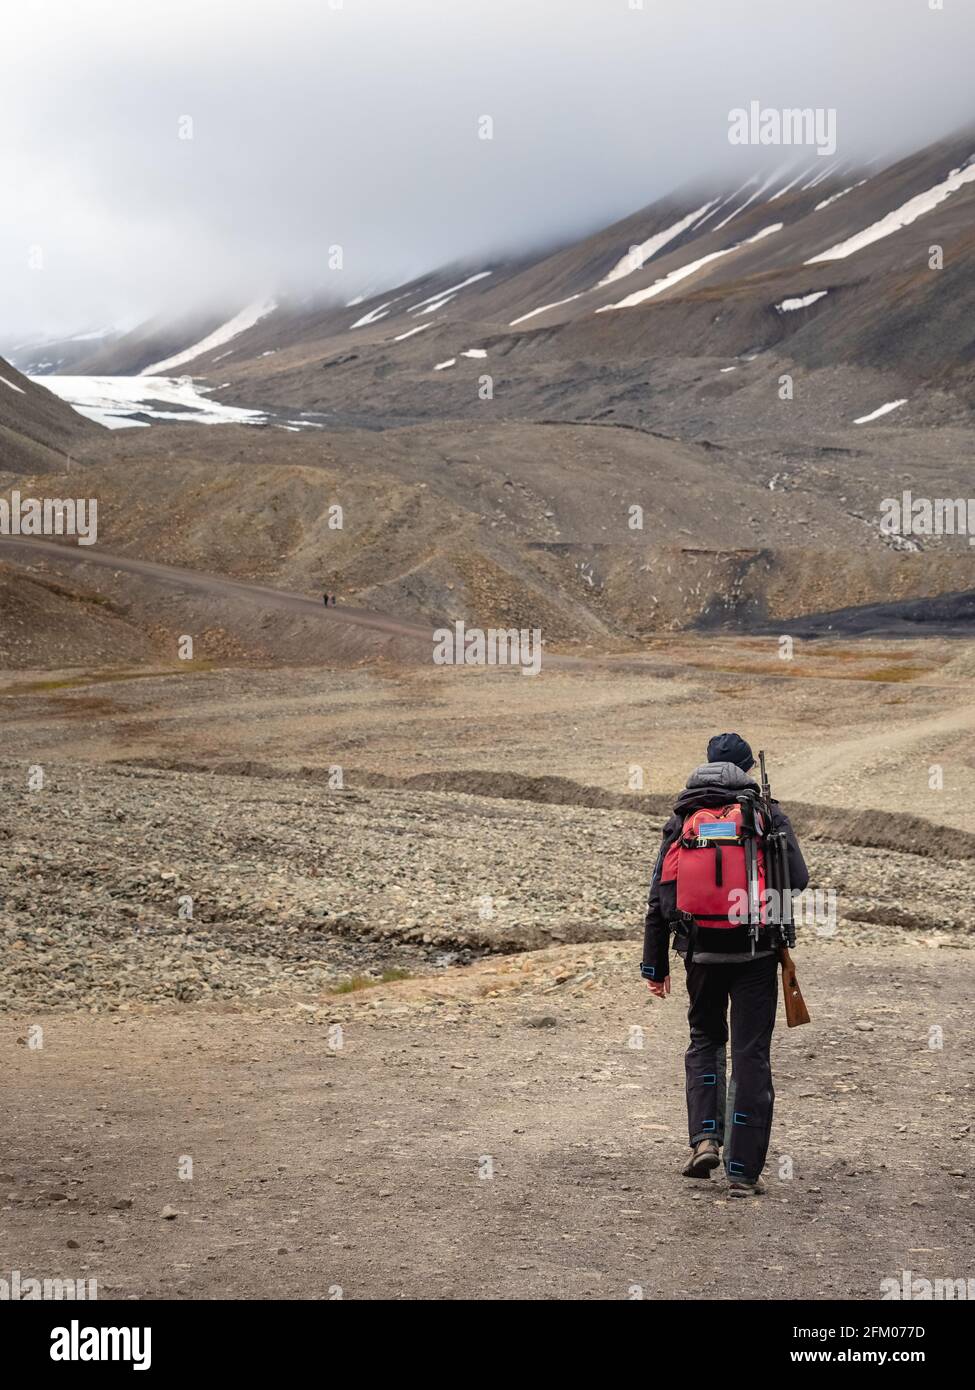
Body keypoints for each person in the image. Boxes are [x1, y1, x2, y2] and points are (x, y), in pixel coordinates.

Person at [641, 733, 809, 1196]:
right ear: (747, 771)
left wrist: (655, 966)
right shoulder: (764, 814)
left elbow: (659, 898)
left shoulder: (683, 819)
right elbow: (797, 880)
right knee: (751, 1053)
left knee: (704, 1040)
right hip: (755, 953)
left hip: (700, 953)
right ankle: (741, 1172)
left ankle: (705, 1140)